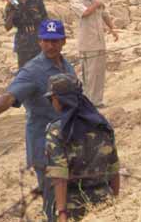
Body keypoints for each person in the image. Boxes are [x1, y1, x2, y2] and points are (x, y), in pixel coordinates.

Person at [0, 19, 75, 217]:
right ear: (39, 42)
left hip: (66, 139)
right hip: (44, 144)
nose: (50, 46)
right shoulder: (33, 70)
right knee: (52, 198)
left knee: (70, 195)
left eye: (55, 41)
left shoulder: (66, 65)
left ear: (63, 41)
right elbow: (10, 96)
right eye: (46, 41)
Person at [44, 73, 120, 222]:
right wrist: (115, 203)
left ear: (58, 100)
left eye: (51, 99)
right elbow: (114, 170)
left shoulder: (57, 132)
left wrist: (62, 212)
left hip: (73, 207)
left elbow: (59, 176)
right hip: (105, 202)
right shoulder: (101, 124)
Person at [70, 0, 118, 107]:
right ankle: (89, 102)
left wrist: (112, 28)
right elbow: (84, 13)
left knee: (99, 74)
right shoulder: (76, 0)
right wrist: (96, 5)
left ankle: (97, 101)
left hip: (99, 42)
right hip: (87, 43)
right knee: (89, 75)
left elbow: (104, 14)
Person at [5, 0, 48, 68]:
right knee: (24, 70)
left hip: (37, 40)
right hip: (22, 42)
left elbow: (45, 21)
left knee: (41, 68)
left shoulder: (37, 1)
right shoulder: (12, 3)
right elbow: (7, 27)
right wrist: (11, 12)